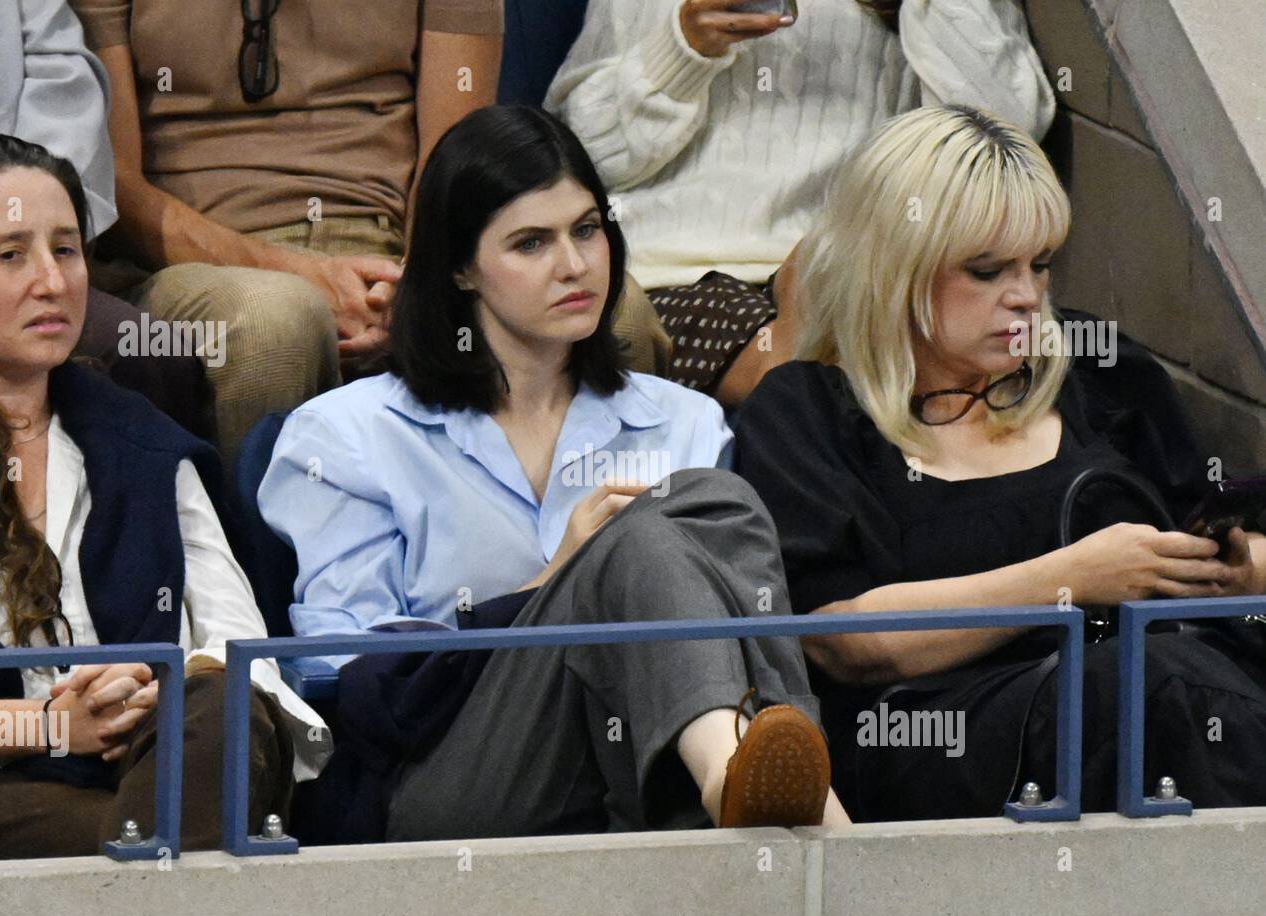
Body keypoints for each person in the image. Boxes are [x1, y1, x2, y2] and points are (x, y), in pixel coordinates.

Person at [259, 106, 851, 844]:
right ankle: (811, 824)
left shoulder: (686, 422)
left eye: (588, 229)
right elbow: (355, 687)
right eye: (531, 242)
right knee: (636, 541)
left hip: (634, 761)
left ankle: (744, 781)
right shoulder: (349, 434)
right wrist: (553, 584)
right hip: (446, 779)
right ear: (459, 265)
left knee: (690, 512)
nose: (575, 265)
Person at [734, 105, 1266, 822]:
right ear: (895, 267)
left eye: (1039, 265)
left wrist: (1236, 570)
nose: (1025, 295)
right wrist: (1069, 578)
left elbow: (1214, 523)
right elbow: (842, 640)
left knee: (1166, 683)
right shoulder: (810, 409)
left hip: (1169, 703)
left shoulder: (1095, 368)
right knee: (1154, 684)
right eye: (987, 271)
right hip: (935, 733)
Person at [0, 134, 329, 861]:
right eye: (11, 254)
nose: (51, 280)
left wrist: (162, 694)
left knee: (217, 712)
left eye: (66, 250)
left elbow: (239, 650)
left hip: (160, 768)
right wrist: (48, 726)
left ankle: (144, 873)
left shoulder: (143, 443)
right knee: (176, 834)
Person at [546, 0, 1056, 406]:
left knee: (844, 343)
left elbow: (1004, 143)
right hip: (672, 264)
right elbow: (583, 157)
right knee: (797, 386)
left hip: (846, 257)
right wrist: (684, 46)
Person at [69, 0, 505, 469]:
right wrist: (303, 276)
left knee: (555, 295)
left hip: (390, 250)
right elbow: (111, 187)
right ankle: (246, 541)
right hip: (184, 264)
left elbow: (456, 161)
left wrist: (416, 289)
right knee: (273, 323)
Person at [0, 0, 213, 440]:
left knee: (143, 348)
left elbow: (62, 83)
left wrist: (13, 215)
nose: (53, 283)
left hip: (6, 211)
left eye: (64, 253)